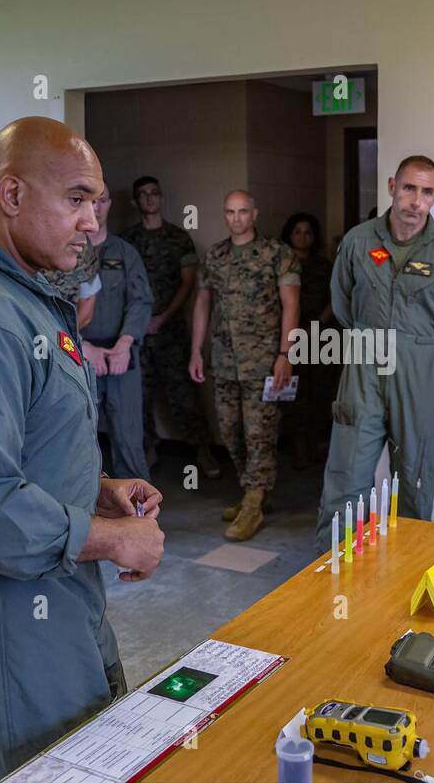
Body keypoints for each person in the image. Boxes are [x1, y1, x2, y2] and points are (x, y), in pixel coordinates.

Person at [0, 117, 165, 783]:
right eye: (75, 200)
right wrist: (111, 539)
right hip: (0, 599)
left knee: (87, 750)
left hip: (43, 576)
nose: (93, 225)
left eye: (96, 205)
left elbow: (20, 434)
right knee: (45, 768)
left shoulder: (23, 293)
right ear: (11, 195)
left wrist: (95, 487)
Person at [314, 155, 434, 554]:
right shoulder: (357, 241)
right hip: (364, 363)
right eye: (409, 188)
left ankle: (406, 575)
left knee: (414, 477)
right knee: (346, 473)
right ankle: (330, 576)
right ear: (392, 186)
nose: (416, 200)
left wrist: (422, 345)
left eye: (427, 192)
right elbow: (342, 303)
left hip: (421, 366)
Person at [189, 189, 300, 542]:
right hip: (224, 360)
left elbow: (291, 306)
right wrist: (196, 351)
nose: (235, 218)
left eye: (242, 212)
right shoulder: (216, 256)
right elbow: (203, 304)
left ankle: (254, 503)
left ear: (254, 214)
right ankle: (249, 491)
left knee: (259, 435)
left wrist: (286, 355)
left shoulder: (276, 254)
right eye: (229, 212)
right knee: (230, 432)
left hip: (264, 361)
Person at [44, 184, 154, 481]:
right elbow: (49, 310)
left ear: (110, 204)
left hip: (120, 357)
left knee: (128, 436)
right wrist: (81, 346)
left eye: (103, 200)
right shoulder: (62, 251)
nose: (96, 208)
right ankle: (88, 515)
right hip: (76, 354)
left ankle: (140, 514)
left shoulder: (124, 252)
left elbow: (141, 301)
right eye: (89, 201)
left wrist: (125, 344)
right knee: (77, 437)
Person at [124, 176, 221, 478]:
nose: (150, 199)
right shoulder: (127, 241)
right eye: (143, 194)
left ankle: (202, 450)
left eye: (154, 193)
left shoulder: (178, 238)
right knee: (138, 398)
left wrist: (162, 318)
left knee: (184, 397)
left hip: (171, 332)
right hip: (137, 334)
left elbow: (188, 283)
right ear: (135, 201)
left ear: (162, 197)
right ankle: (148, 448)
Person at [280, 211, 335, 468]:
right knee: (293, 393)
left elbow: (335, 299)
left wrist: (318, 325)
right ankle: (298, 445)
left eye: (308, 232)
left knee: (319, 391)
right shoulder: (279, 263)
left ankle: (316, 444)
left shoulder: (324, 265)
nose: (303, 237)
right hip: (288, 337)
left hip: (319, 336)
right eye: (297, 231)